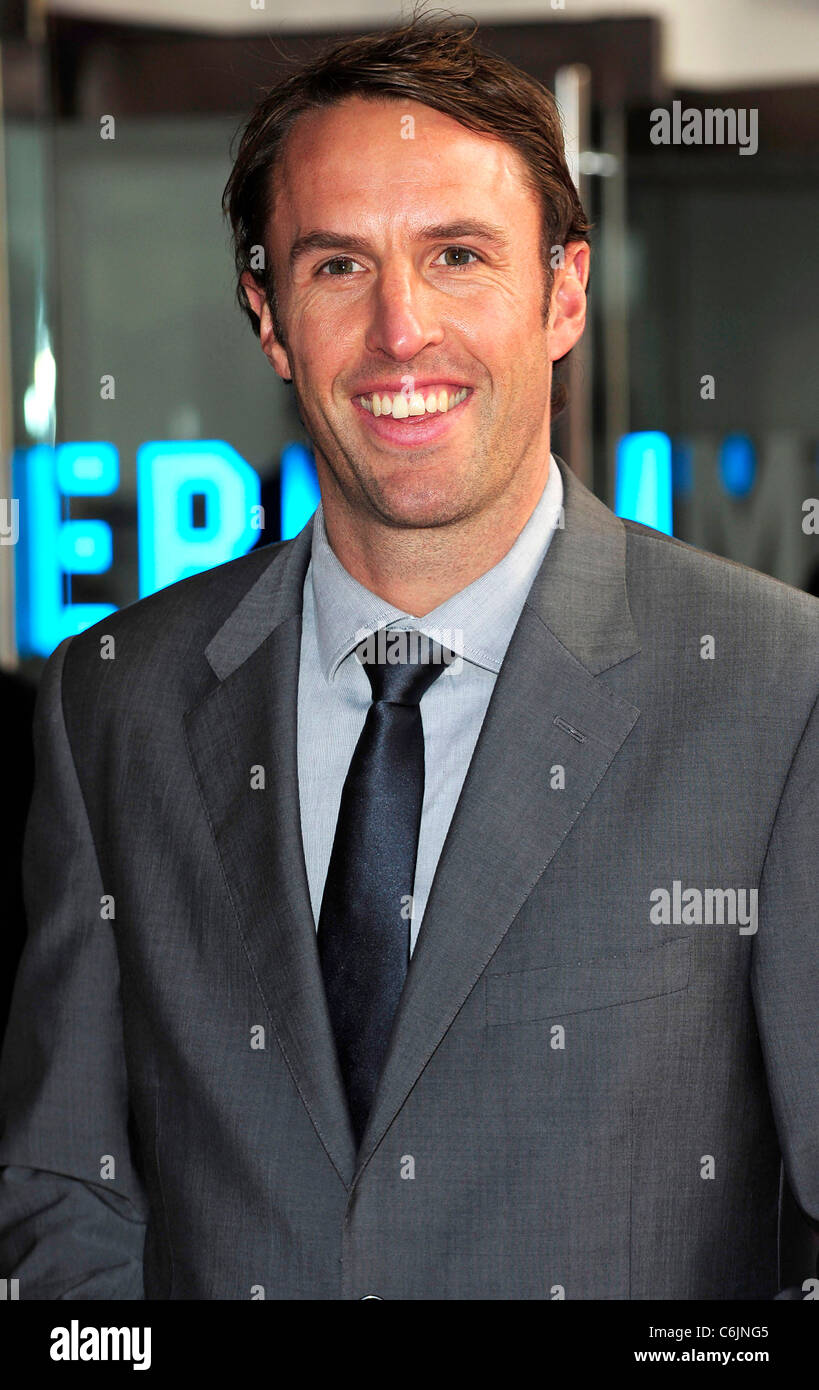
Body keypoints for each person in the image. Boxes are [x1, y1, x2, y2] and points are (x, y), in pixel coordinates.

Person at [1, 14, 817, 1301]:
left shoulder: (780, 690)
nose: (400, 332)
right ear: (269, 319)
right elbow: (67, 1190)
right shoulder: (116, 698)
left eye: (457, 256)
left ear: (563, 293)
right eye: (338, 267)